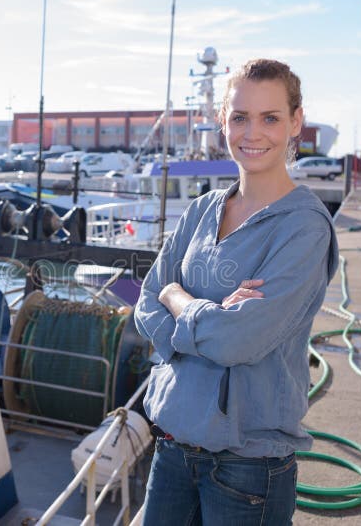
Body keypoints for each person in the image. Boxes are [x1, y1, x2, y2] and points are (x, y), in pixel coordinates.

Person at [134, 59, 338, 525]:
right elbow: (147, 300)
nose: (253, 133)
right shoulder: (203, 208)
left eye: (271, 118)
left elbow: (237, 341)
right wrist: (210, 316)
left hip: (247, 466)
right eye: (240, 117)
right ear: (223, 121)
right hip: (171, 446)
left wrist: (180, 299)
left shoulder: (303, 228)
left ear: (296, 123)